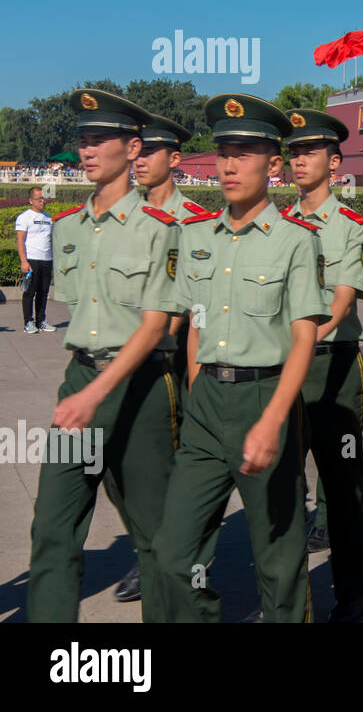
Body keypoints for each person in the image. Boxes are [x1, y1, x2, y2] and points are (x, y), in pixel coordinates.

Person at [153, 94, 329, 622]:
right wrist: (194, 383)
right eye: (224, 151)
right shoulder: (196, 236)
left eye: (245, 152)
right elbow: (192, 323)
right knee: (173, 554)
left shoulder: (297, 242)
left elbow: (304, 339)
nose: (229, 164)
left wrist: (274, 420)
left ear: (274, 165)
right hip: (207, 401)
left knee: (278, 559)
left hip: (265, 397)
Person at [27, 90, 184, 622]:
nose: (87, 150)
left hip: (141, 389)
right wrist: (85, 387)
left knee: (155, 534)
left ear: (132, 147)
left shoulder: (161, 229)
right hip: (83, 379)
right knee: (53, 524)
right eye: (83, 140)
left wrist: (96, 393)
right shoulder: (68, 228)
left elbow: (156, 324)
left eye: (100, 140)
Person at [282, 108, 363, 622]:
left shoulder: (348, 227)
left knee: (342, 488)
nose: (298, 161)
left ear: (335, 163)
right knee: (284, 487)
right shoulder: (275, 224)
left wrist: (303, 337)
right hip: (283, 367)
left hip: (330, 366)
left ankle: (351, 592)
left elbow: (340, 302)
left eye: (309, 152)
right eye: (293, 152)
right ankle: (291, 598)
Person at [110, 112, 204, 605]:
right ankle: (150, 550)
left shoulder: (196, 222)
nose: (140, 160)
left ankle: (172, 565)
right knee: (120, 467)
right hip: (130, 356)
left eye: (150, 152)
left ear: (175, 158)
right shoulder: (121, 218)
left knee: (174, 465)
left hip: (180, 355)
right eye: (136, 151)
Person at [15, 185, 55, 334]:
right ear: (31, 200)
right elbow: (20, 241)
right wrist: (24, 261)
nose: (42, 201)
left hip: (46, 260)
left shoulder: (48, 218)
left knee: (43, 292)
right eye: (39, 199)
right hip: (31, 260)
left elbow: (50, 239)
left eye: (44, 198)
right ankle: (28, 323)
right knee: (29, 292)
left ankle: (41, 320)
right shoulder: (24, 218)